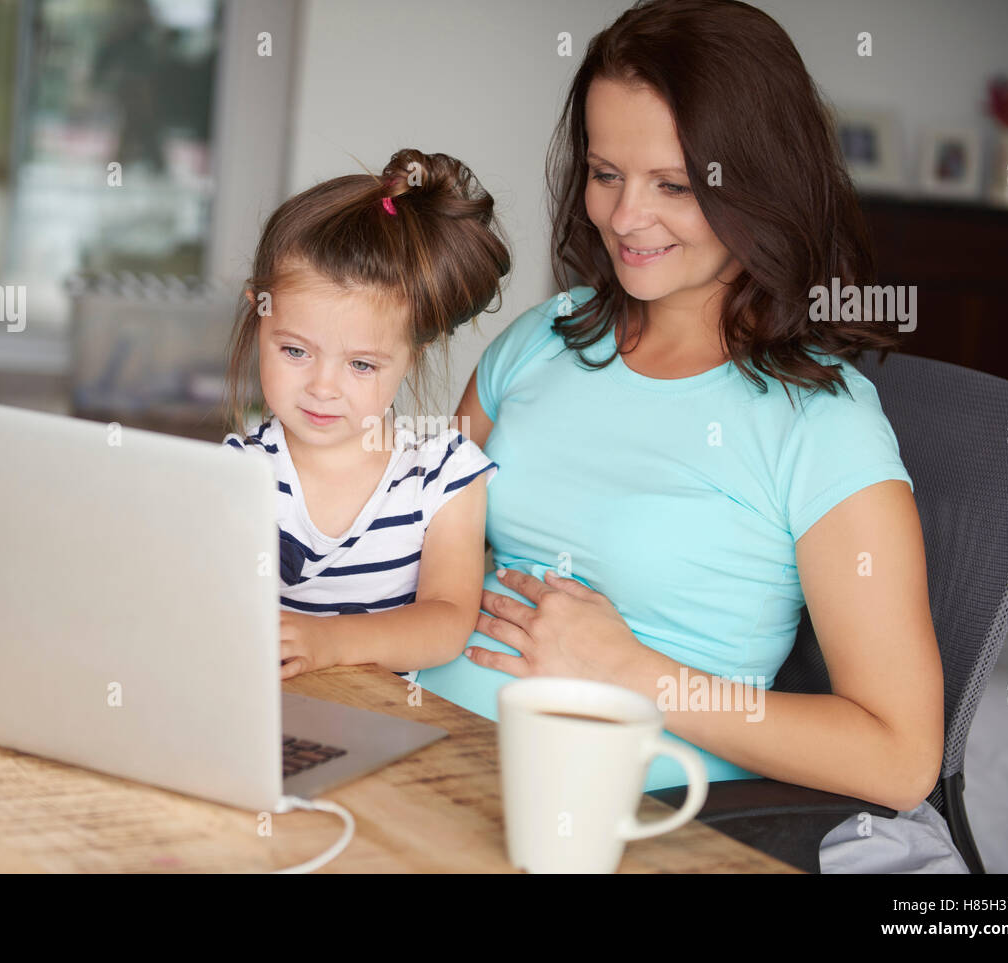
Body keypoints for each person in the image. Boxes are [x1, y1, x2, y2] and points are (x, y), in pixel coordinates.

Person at [413, 0, 967, 873]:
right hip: (419, 751)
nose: (626, 217)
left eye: (675, 185)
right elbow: (411, 525)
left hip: (599, 817)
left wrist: (634, 671)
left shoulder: (823, 425)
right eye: (605, 173)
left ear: (759, 183)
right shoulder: (546, 337)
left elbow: (898, 755)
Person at [222, 148, 509, 684]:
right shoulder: (238, 470)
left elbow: (446, 622)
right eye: (295, 351)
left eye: (360, 364)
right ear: (257, 313)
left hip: (382, 725)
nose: (323, 387)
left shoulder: (443, 474)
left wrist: (328, 642)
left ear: (412, 354)